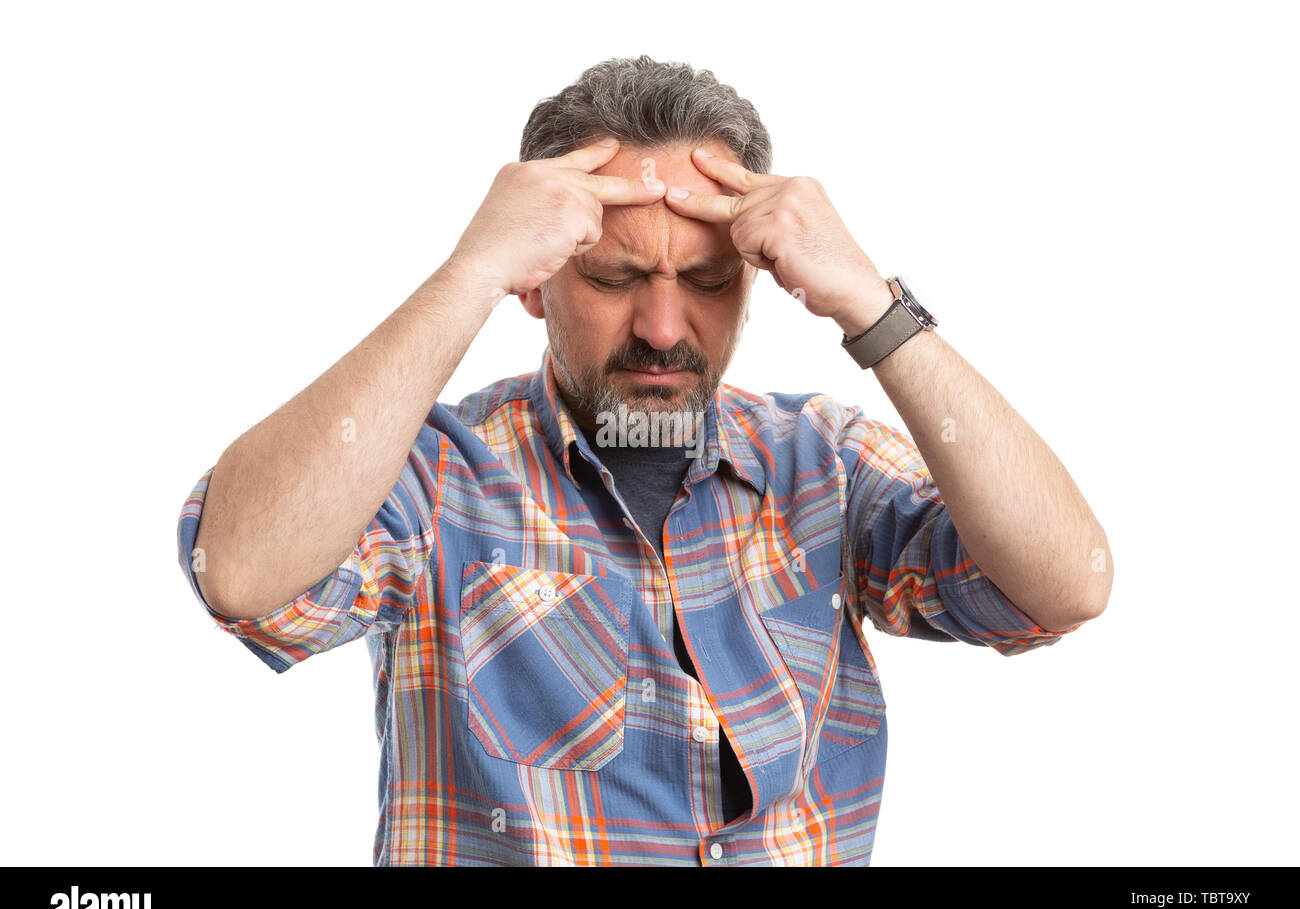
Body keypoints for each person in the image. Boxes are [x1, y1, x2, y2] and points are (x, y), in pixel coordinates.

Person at [175, 55, 1112, 866]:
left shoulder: (824, 462)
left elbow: (1063, 585)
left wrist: (873, 306)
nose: (665, 331)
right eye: (617, 279)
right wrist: (469, 272)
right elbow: (245, 575)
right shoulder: (435, 477)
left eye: (706, 283)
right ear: (536, 283)